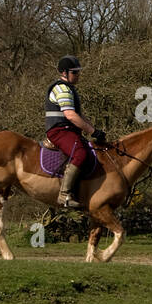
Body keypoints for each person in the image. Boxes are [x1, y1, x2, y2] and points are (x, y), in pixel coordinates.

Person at [44, 55, 105, 209]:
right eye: (75, 72)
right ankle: (63, 194)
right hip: (59, 130)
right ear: (64, 73)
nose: (78, 75)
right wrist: (92, 131)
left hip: (68, 130)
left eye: (78, 72)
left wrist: (95, 131)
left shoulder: (70, 89)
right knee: (80, 153)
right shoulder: (62, 89)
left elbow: (79, 116)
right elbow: (70, 115)